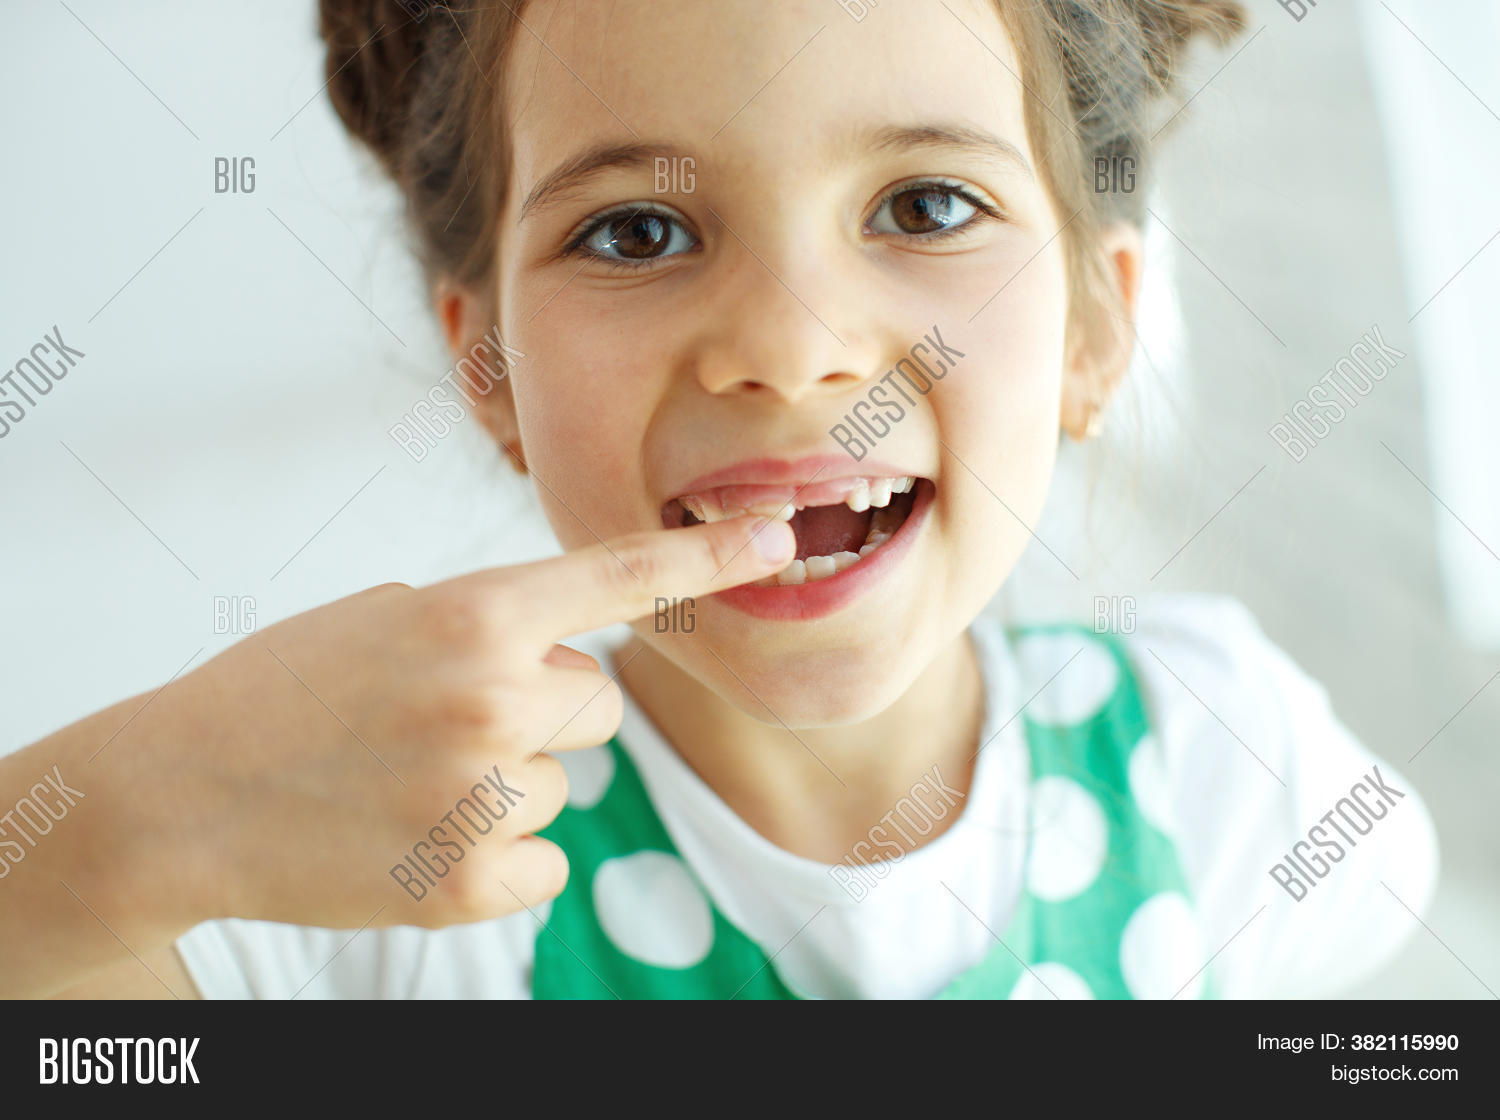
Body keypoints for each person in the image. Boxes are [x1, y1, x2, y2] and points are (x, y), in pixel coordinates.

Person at [4, 0, 1436, 999]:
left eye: (926, 206)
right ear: (487, 369)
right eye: (638, 232)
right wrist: (159, 802)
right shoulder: (377, 900)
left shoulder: (1233, 775)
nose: (791, 349)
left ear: (1091, 331)